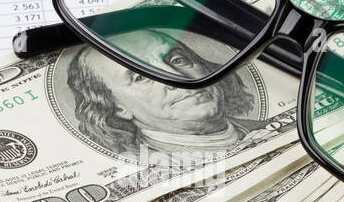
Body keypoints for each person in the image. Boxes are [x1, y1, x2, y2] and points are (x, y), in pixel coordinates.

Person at [67, 29, 265, 159]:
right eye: (140, 77)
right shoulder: (146, 165)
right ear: (117, 106)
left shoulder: (268, 128)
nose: (176, 77)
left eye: (177, 60)